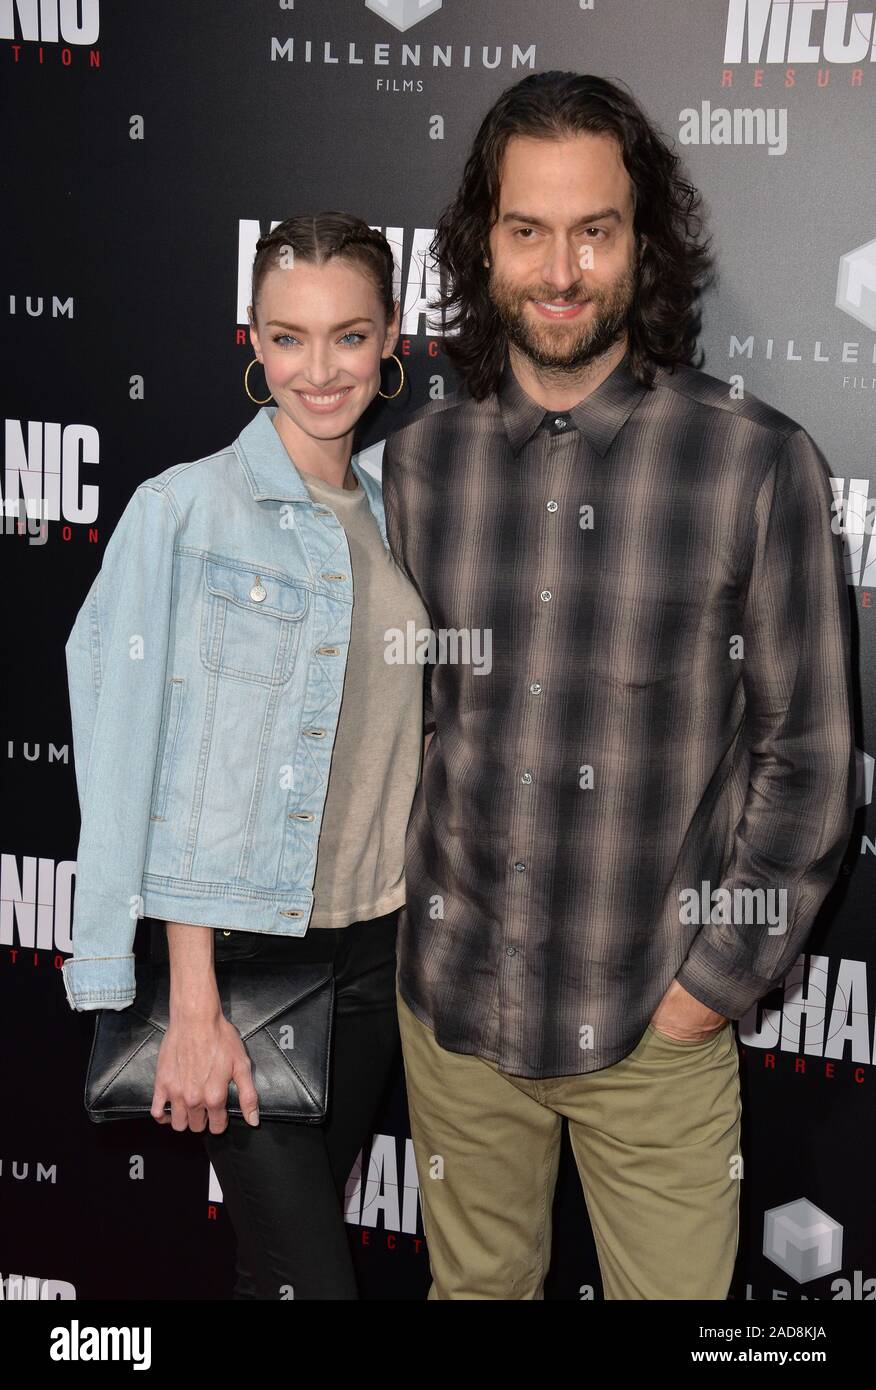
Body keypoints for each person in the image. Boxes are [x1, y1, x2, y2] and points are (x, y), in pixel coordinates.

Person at [380, 71, 857, 1300]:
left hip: (655, 1024)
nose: (559, 269)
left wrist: (711, 992)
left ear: (642, 244)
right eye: (527, 229)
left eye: (593, 230)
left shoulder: (757, 464)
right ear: (483, 245)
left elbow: (806, 766)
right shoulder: (421, 467)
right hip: (454, 1024)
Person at [61, 212, 430, 1299]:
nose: (319, 371)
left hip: (379, 956)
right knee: (318, 1282)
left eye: (349, 337)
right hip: (241, 962)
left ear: (392, 337)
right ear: (253, 343)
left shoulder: (402, 514)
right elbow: (133, 757)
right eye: (289, 337)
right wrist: (187, 999)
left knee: (273, 1267)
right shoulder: (181, 512)